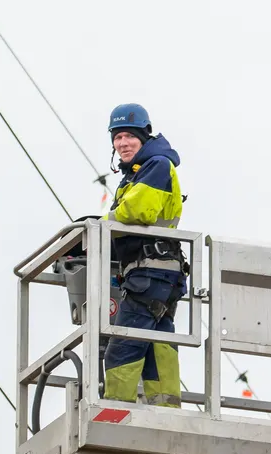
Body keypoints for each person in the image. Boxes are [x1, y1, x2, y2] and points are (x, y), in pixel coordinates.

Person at [101, 103, 187, 408]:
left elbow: (137, 211)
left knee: (123, 344)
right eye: (117, 137)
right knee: (157, 346)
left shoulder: (157, 165)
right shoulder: (139, 171)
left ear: (143, 136)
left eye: (128, 136)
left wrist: (99, 225)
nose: (122, 143)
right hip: (156, 272)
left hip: (150, 273)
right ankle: (166, 411)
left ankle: (114, 410)